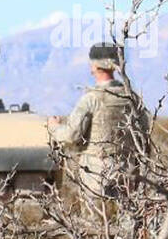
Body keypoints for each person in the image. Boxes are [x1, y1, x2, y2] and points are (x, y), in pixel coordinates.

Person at [47, 42, 150, 199]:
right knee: (128, 218)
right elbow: (144, 140)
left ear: (94, 66)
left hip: (96, 176)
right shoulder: (132, 98)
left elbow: (71, 136)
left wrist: (54, 127)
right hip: (128, 175)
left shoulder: (91, 99)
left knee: (95, 221)